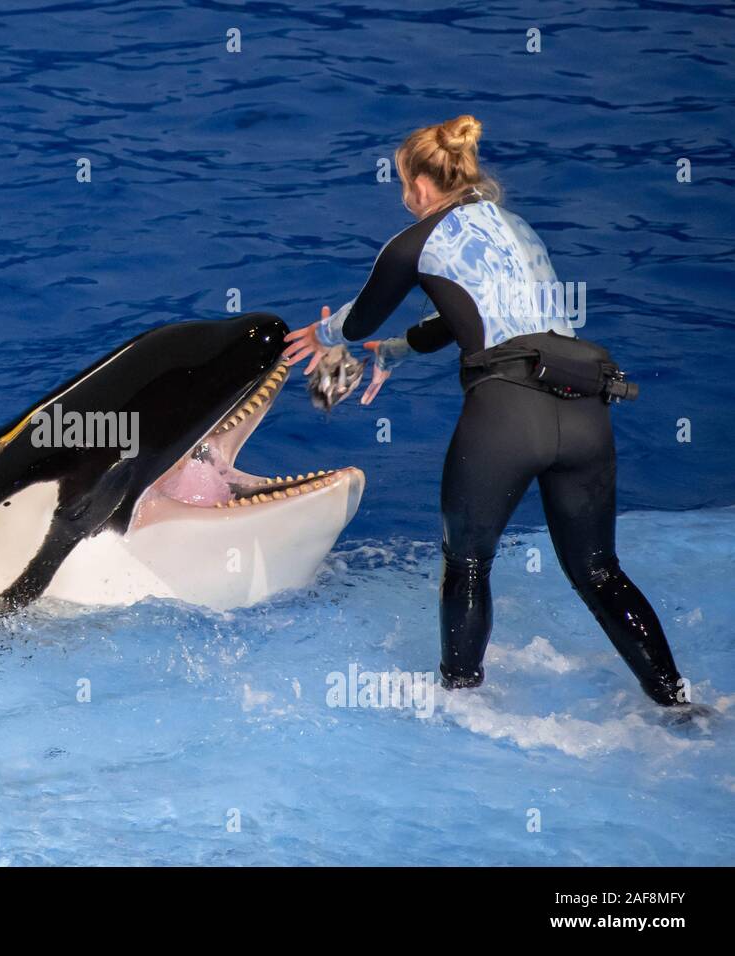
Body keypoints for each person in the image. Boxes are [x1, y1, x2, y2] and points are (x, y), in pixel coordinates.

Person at [283, 115, 686, 706]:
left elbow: (362, 316)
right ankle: (678, 705)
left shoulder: (415, 242)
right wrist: (396, 351)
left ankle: (461, 703)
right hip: (585, 407)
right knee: (599, 570)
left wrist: (323, 335)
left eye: (402, 184)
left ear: (420, 184)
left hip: (508, 414)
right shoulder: (517, 230)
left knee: (468, 562)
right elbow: (473, 315)